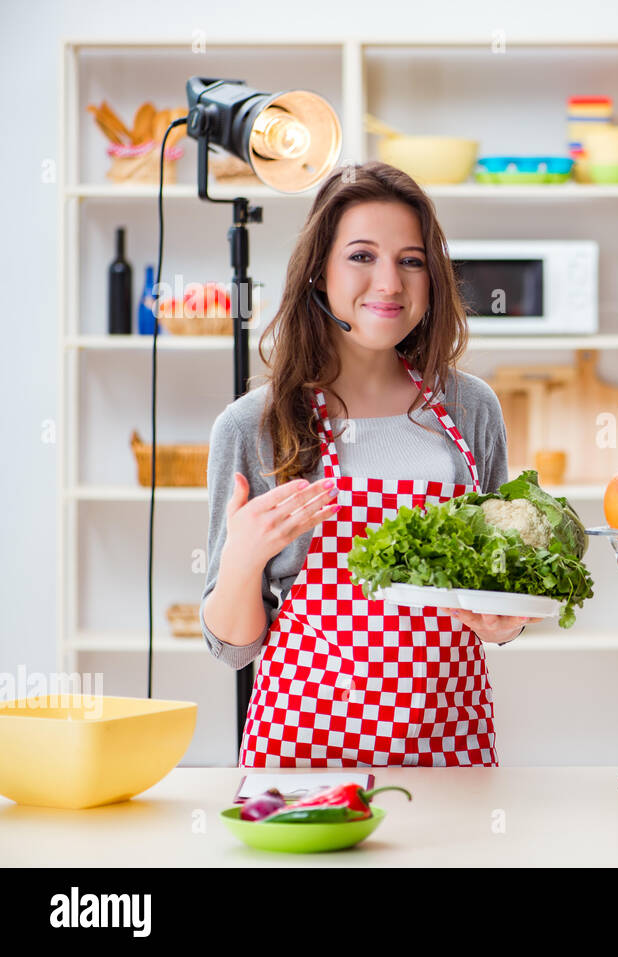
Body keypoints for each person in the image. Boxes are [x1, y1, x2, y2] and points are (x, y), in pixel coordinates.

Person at [201, 161, 539, 767]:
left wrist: (504, 622)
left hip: (449, 740)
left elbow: (498, 599)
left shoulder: (470, 409)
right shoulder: (253, 426)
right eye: (361, 256)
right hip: (304, 752)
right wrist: (241, 558)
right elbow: (231, 647)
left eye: (411, 260)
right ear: (318, 273)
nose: (389, 282)